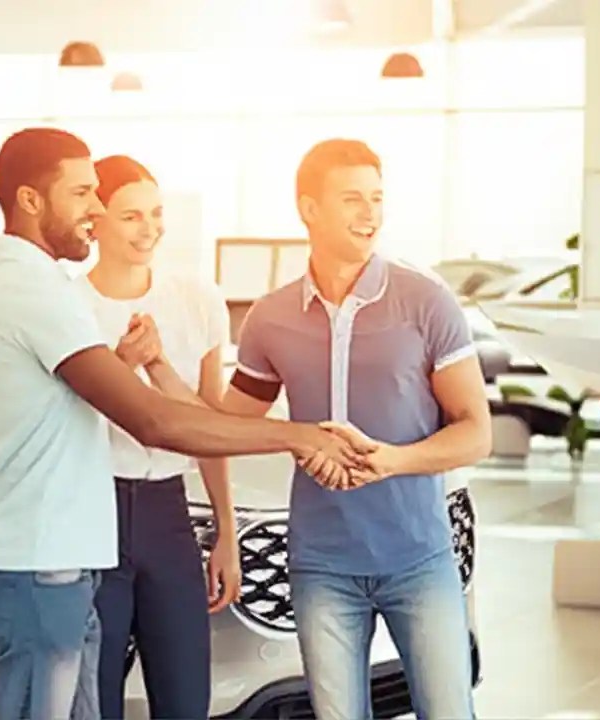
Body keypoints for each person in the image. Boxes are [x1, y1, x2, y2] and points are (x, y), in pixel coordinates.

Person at [0, 128, 372, 720]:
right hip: (34, 570)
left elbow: (84, 406)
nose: (95, 210)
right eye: (82, 193)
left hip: (62, 565)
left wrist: (136, 365)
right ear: (30, 200)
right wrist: (297, 435)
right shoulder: (33, 290)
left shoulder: (42, 287)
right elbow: (153, 420)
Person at [222, 138, 493, 720]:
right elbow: (228, 427)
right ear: (308, 208)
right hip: (322, 565)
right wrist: (296, 438)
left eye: (376, 198)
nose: (369, 213)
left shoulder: (426, 300)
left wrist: (389, 461)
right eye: (351, 199)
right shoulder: (269, 318)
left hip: (418, 556)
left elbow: (476, 433)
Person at [77, 155, 239, 719]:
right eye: (130, 216)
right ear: (94, 221)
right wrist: (125, 369)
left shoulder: (196, 300)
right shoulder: (70, 305)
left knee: (185, 698)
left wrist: (226, 532)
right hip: (93, 510)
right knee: (94, 701)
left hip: (169, 515)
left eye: (156, 213)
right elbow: (70, 424)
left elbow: (211, 425)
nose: (150, 229)